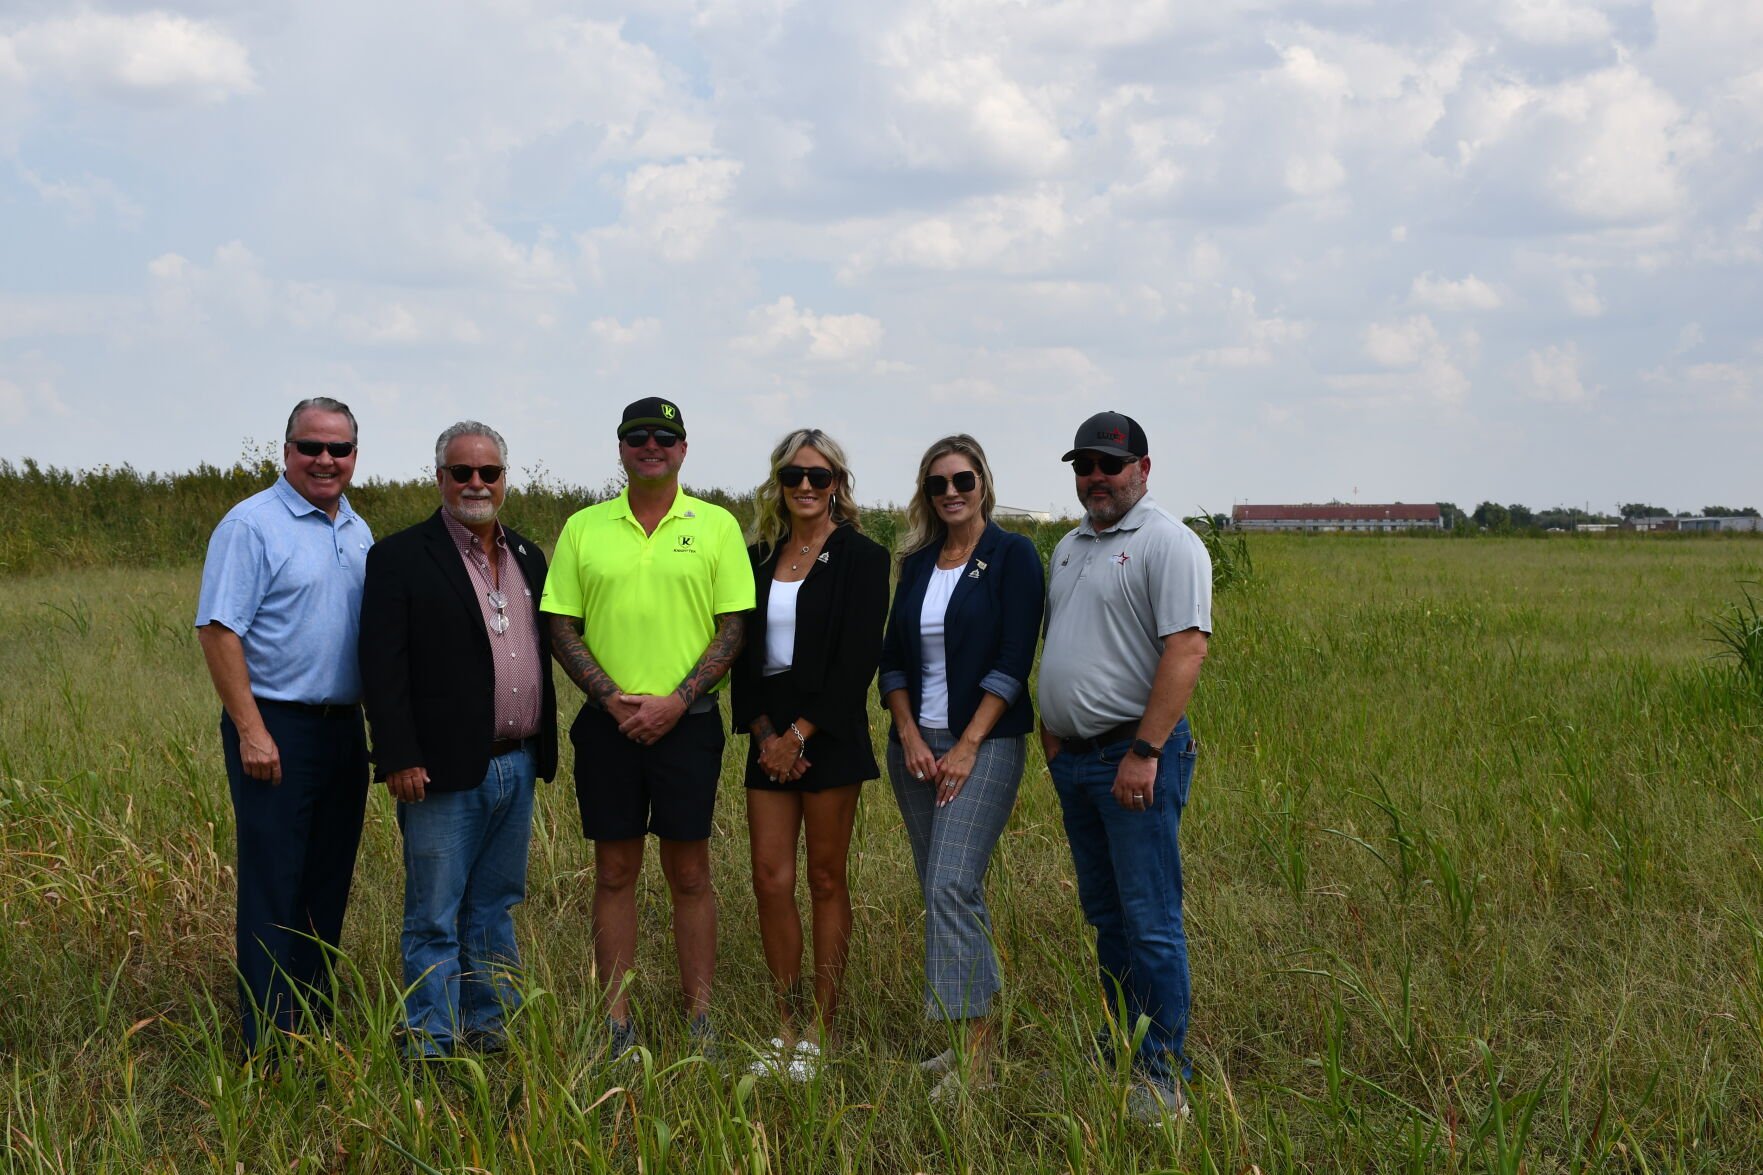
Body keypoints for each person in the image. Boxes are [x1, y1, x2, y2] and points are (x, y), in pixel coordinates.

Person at [540, 397, 754, 1058]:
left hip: (687, 724)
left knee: (690, 873)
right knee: (613, 872)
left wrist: (678, 697)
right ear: (621, 448)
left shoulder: (715, 526)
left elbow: (733, 625)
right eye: (638, 436)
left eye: (664, 436)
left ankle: (700, 1023)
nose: (651, 445)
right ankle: (615, 1023)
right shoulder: (584, 527)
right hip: (608, 727)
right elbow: (560, 623)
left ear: (684, 448)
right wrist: (610, 698)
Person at [358, 421, 557, 1058]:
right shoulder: (398, 557)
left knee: (495, 907)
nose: (476, 484)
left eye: (488, 473)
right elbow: (381, 666)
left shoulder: (528, 556)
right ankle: (431, 1045)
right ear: (439, 477)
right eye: (462, 472)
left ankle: (492, 1030)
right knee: (434, 917)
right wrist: (398, 754)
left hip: (517, 763)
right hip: (439, 771)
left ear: (505, 479)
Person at [1037, 410, 1211, 1124]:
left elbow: (1186, 650)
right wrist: (1052, 735)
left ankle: (1164, 1073)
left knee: (1149, 919)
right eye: (1084, 466)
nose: (1095, 478)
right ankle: (1123, 1041)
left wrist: (1144, 751)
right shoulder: (1069, 547)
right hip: (1075, 761)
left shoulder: (1167, 542)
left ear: (1143, 467)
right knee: (1105, 915)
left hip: (1132, 759)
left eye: (1109, 465)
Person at [194, 396, 374, 1053]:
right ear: (286, 450)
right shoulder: (252, 524)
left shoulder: (357, 530)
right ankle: (267, 1044)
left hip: (341, 730)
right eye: (311, 447)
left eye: (339, 449)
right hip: (276, 726)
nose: (324, 460)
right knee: (275, 884)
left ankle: (312, 1027)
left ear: (355, 456)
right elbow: (218, 631)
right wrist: (251, 728)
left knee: (327, 882)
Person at [878, 434, 1044, 1101]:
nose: (951, 493)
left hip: (986, 742)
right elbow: (891, 658)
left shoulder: (1012, 555)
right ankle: (970, 1037)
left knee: (951, 884)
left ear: (984, 483)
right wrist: (909, 731)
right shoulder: (916, 562)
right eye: (937, 483)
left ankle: (976, 1062)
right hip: (914, 745)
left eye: (962, 480)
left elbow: (1012, 657)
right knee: (943, 890)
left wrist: (969, 742)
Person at [729, 429, 889, 1080]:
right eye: (793, 475)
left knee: (824, 879)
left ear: (836, 485)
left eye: (817, 477)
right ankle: (784, 1025)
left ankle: (821, 1031)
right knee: (770, 879)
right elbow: (739, 651)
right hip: (768, 741)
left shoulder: (862, 556)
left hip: (828, 734)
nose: (804, 486)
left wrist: (800, 733)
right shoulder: (756, 554)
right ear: (778, 481)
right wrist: (768, 734)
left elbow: (857, 661)